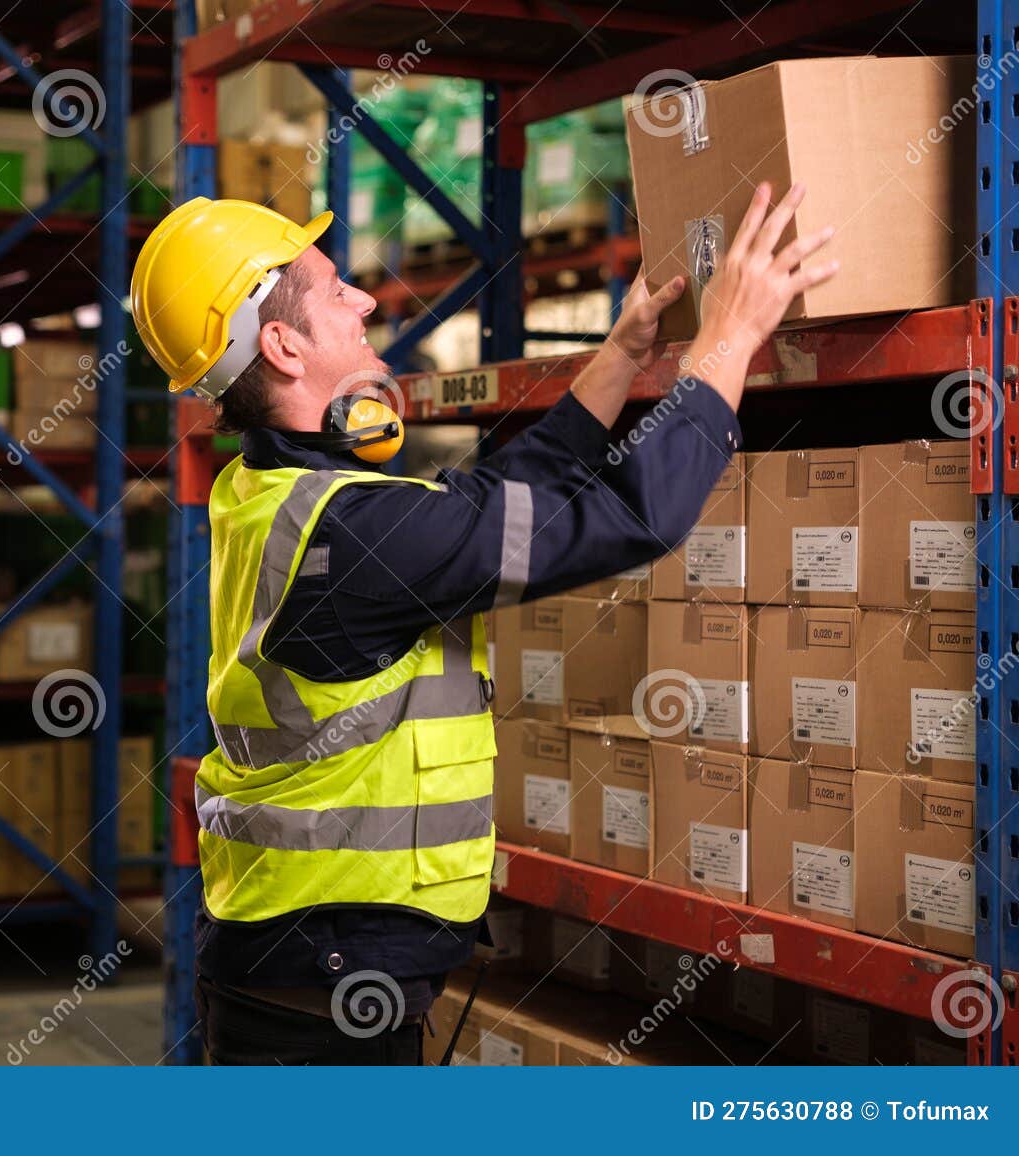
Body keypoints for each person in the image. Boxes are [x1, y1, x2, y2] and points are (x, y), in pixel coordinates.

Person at [130, 183, 837, 1065]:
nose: (364, 300)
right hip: (321, 1002)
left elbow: (489, 505)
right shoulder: (353, 534)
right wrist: (731, 335)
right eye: (330, 288)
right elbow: (633, 519)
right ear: (281, 344)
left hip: (302, 975)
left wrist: (619, 357)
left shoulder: (283, 496)